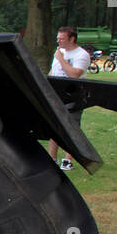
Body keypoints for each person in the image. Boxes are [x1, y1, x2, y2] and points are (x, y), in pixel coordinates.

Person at [48, 26, 90, 171]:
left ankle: (68, 160)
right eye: (57, 38)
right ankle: (52, 158)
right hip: (56, 94)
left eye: (62, 38)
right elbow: (54, 71)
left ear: (72, 39)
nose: (58, 41)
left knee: (71, 128)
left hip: (73, 95)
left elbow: (74, 74)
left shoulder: (81, 55)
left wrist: (61, 59)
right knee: (53, 127)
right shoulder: (59, 52)